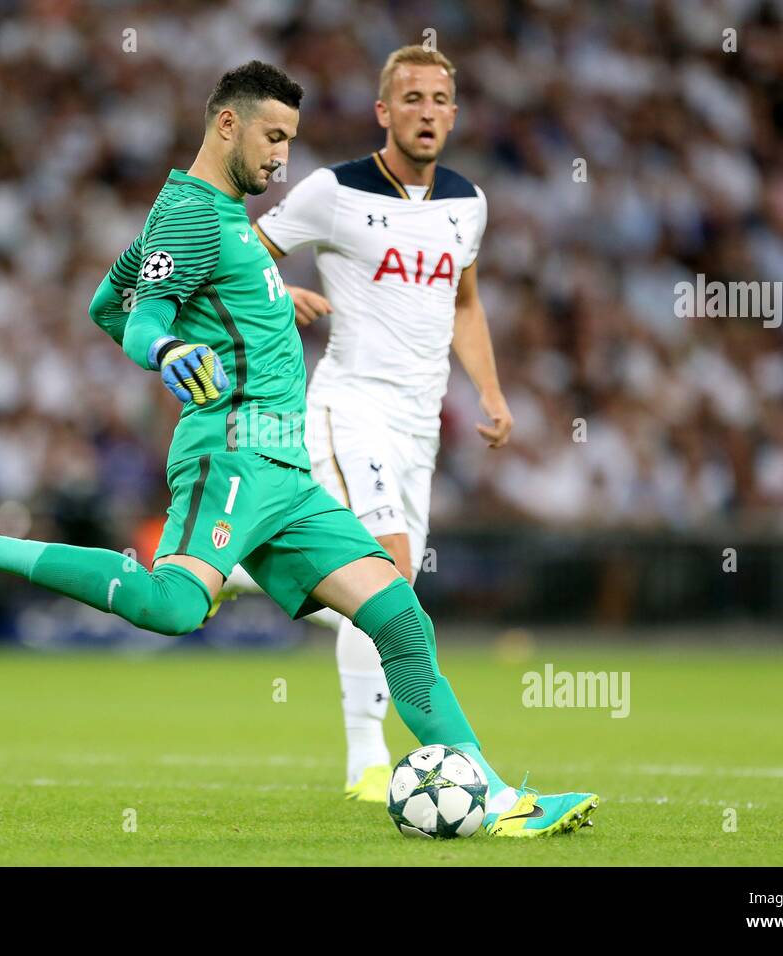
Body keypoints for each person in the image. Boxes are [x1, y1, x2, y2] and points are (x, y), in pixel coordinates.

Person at [0, 60, 596, 836]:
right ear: (227, 125)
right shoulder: (188, 213)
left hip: (288, 471)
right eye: (273, 137)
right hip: (235, 453)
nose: (282, 157)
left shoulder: (211, 217)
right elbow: (142, 318)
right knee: (174, 605)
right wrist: (169, 352)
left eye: (291, 140)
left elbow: (102, 302)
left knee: (400, 618)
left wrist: (269, 309)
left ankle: (498, 798)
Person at [216, 45, 512, 801]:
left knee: (391, 588)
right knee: (391, 585)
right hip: (351, 407)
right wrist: (283, 290)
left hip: (420, 425)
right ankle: (370, 760)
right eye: (410, 98)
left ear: (454, 111)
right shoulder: (333, 191)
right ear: (384, 111)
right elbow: (241, 249)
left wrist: (491, 390)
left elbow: (466, 302)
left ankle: (234, 570)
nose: (426, 111)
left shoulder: (466, 203)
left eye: (439, 99)